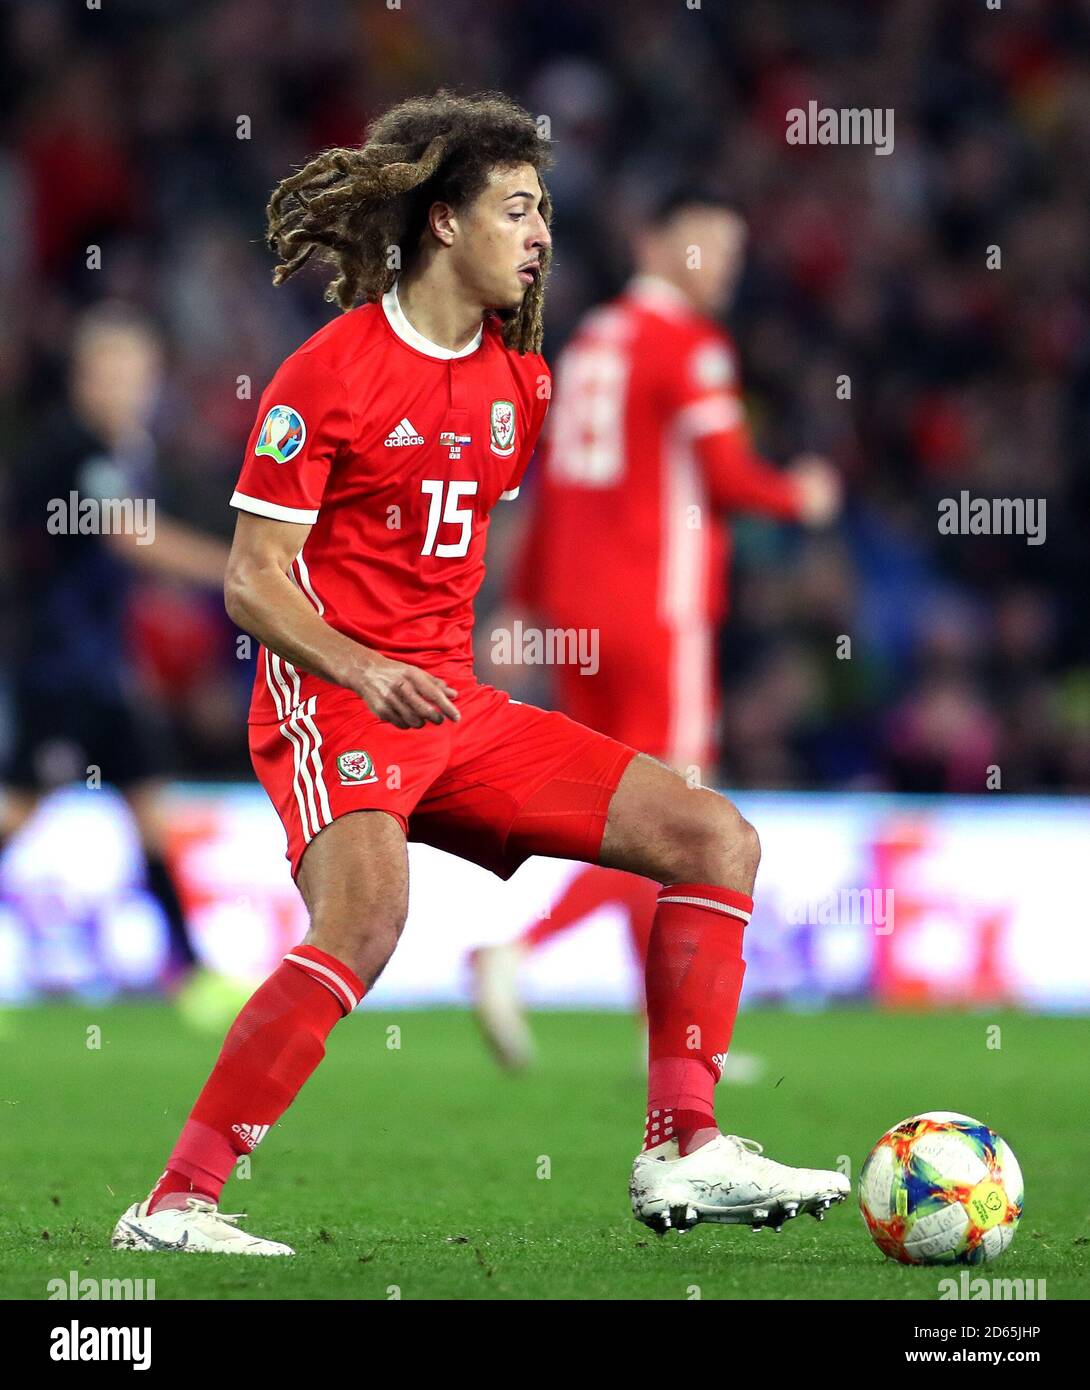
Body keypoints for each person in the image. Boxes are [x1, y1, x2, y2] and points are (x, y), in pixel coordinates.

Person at [111, 91, 847, 1257]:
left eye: (546, 210)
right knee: (365, 918)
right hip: (332, 695)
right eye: (517, 208)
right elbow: (252, 582)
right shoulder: (327, 372)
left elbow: (456, 555)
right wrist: (361, 663)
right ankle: (175, 1204)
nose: (542, 232)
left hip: (454, 703)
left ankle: (684, 1143)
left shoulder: (521, 383)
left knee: (714, 837)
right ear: (444, 222)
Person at [471, 190, 841, 1069]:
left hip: (578, 614)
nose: (723, 263)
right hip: (656, 611)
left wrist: (523, 602)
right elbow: (726, 472)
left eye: (733, 248)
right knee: (676, 818)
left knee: (628, 812)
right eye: (708, 242)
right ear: (656, 240)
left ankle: (662, 1035)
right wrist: (803, 497)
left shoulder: (596, 340)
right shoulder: (690, 345)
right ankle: (513, 954)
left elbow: (551, 481)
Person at [2, 303, 229, 988]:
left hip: (102, 667)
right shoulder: (74, 448)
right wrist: (237, 569)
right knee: (17, 808)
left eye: (139, 370)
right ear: (83, 377)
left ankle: (187, 972)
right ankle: (186, 969)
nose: (128, 384)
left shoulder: (124, 449)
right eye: (112, 369)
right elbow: (131, 539)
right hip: (58, 666)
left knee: (151, 806)